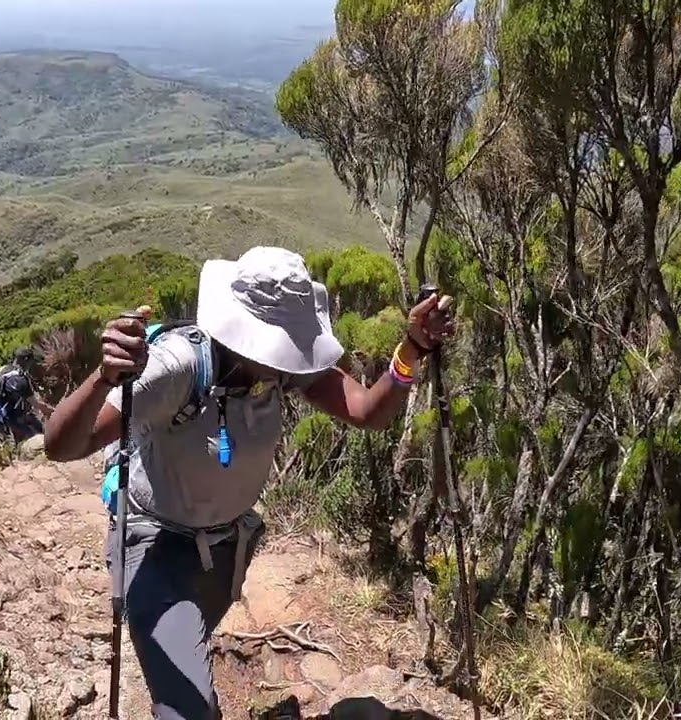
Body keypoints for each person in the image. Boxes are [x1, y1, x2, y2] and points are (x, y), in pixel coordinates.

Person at [43, 246, 455, 720]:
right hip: (156, 549)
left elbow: (368, 411)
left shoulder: (283, 370)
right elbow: (62, 446)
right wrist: (102, 377)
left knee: (192, 671)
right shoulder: (176, 367)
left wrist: (413, 350)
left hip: (224, 552)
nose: (288, 358)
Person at [0, 347, 49, 459]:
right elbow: (36, 403)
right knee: (35, 442)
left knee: (38, 430)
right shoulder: (19, 379)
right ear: (26, 360)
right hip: (10, 416)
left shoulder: (4, 370)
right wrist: (53, 411)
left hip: (3, 414)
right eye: (31, 361)